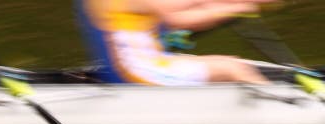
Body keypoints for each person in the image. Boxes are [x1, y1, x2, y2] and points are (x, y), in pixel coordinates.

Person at [75, 0, 274, 85]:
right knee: (233, 68)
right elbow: (179, 18)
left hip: (142, 63)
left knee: (226, 63)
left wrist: (234, 6)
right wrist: (240, 6)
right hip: (137, 69)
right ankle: (290, 109)